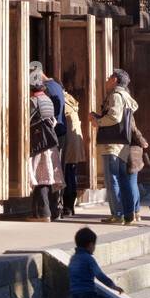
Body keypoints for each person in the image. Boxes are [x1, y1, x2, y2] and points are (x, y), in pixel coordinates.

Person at [90, 69, 137, 225]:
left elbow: (114, 117)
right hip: (122, 142)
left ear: (115, 80)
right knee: (123, 178)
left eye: (109, 77)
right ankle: (128, 214)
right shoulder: (126, 96)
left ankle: (117, 214)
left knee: (113, 179)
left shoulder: (116, 96)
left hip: (112, 143)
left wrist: (98, 121)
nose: (107, 79)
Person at [28, 71, 63, 221]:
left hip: (39, 144)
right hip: (50, 142)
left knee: (40, 178)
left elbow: (26, 120)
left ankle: (43, 213)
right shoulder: (47, 100)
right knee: (49, 178)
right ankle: (52, 211)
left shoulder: (33, 101)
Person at [61, 85, 87, 217]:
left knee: (67, 176)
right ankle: (70, 207)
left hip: (68, 143)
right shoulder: (70, 100)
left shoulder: (62, 100)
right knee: (71, 174)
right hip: (75, 144)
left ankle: (67, 207)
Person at [121, 116, 150, 224]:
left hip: (130, 152)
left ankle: (132, 211)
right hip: (134, 152)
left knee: (131, 183)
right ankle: (136, 211)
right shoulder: (129, 112)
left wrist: (142, 141)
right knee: (133, 182)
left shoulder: (126, 112)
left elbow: (133, 130)